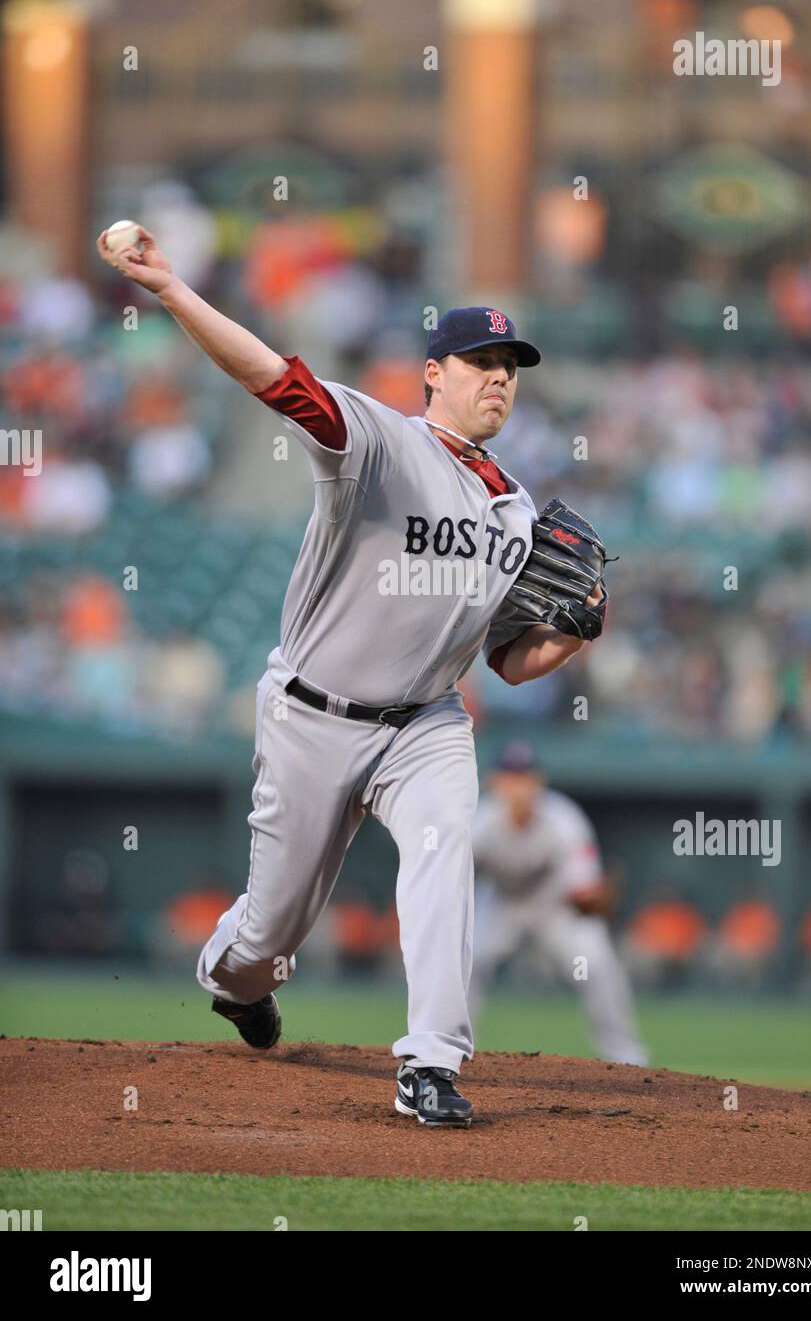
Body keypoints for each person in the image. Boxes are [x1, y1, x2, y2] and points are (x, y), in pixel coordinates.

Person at [96, 223, 606, 1129]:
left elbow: (506, 661)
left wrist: (566, 641)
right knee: (270, 935)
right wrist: (171, 289)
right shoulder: (375, 439)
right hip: (311, 715)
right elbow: (271, 376)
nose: (497, 376)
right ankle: (236, 980)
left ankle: (432, 1063)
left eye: (509, 364)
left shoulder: (516, 510)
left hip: (427, 722)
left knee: (447, 849)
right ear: (432, 373)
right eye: (477, 359)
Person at [471, 742, 648, 1066]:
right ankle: (454, 1052)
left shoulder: (564, 819)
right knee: (466, 959)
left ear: (539, 781)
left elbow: (583, 890)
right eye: (511, 776)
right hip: (503, 904)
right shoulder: (482, 821)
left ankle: (626, 1058)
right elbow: (458, 879)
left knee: (595, 963)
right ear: (496, 782)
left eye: (525, 776)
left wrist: (593, 897)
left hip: (555, 906)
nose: (519, 786)